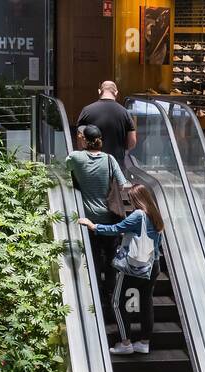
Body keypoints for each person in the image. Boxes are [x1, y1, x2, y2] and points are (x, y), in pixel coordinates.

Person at [78, 183, 164, 356]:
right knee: (146, 302)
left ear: (137, 199)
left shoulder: (138, 215)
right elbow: (157, 242)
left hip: (135, 266)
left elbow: (116, 229)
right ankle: (144, 343)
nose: (130, 202)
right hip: (153, 265)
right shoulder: (155, 215)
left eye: (131, 199)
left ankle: (126, 343)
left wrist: (94, 226)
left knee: (117, 302)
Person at [69, 124, 131, 317]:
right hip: (110, 222)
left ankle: (95, 300)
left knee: (93, 261)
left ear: (84, 140)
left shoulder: (75, 158)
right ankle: (111, 298)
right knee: (111, 261)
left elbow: (61, 175)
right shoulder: (110, 159)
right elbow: (123, 185)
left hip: (88, 220)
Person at [77, 80, 137, 169]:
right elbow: (132, 142)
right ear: (116, 93)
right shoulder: (125, 113)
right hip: (116, 167)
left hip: (92, 166)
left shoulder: (86, 111)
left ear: (99, 92)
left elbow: (80, 141)